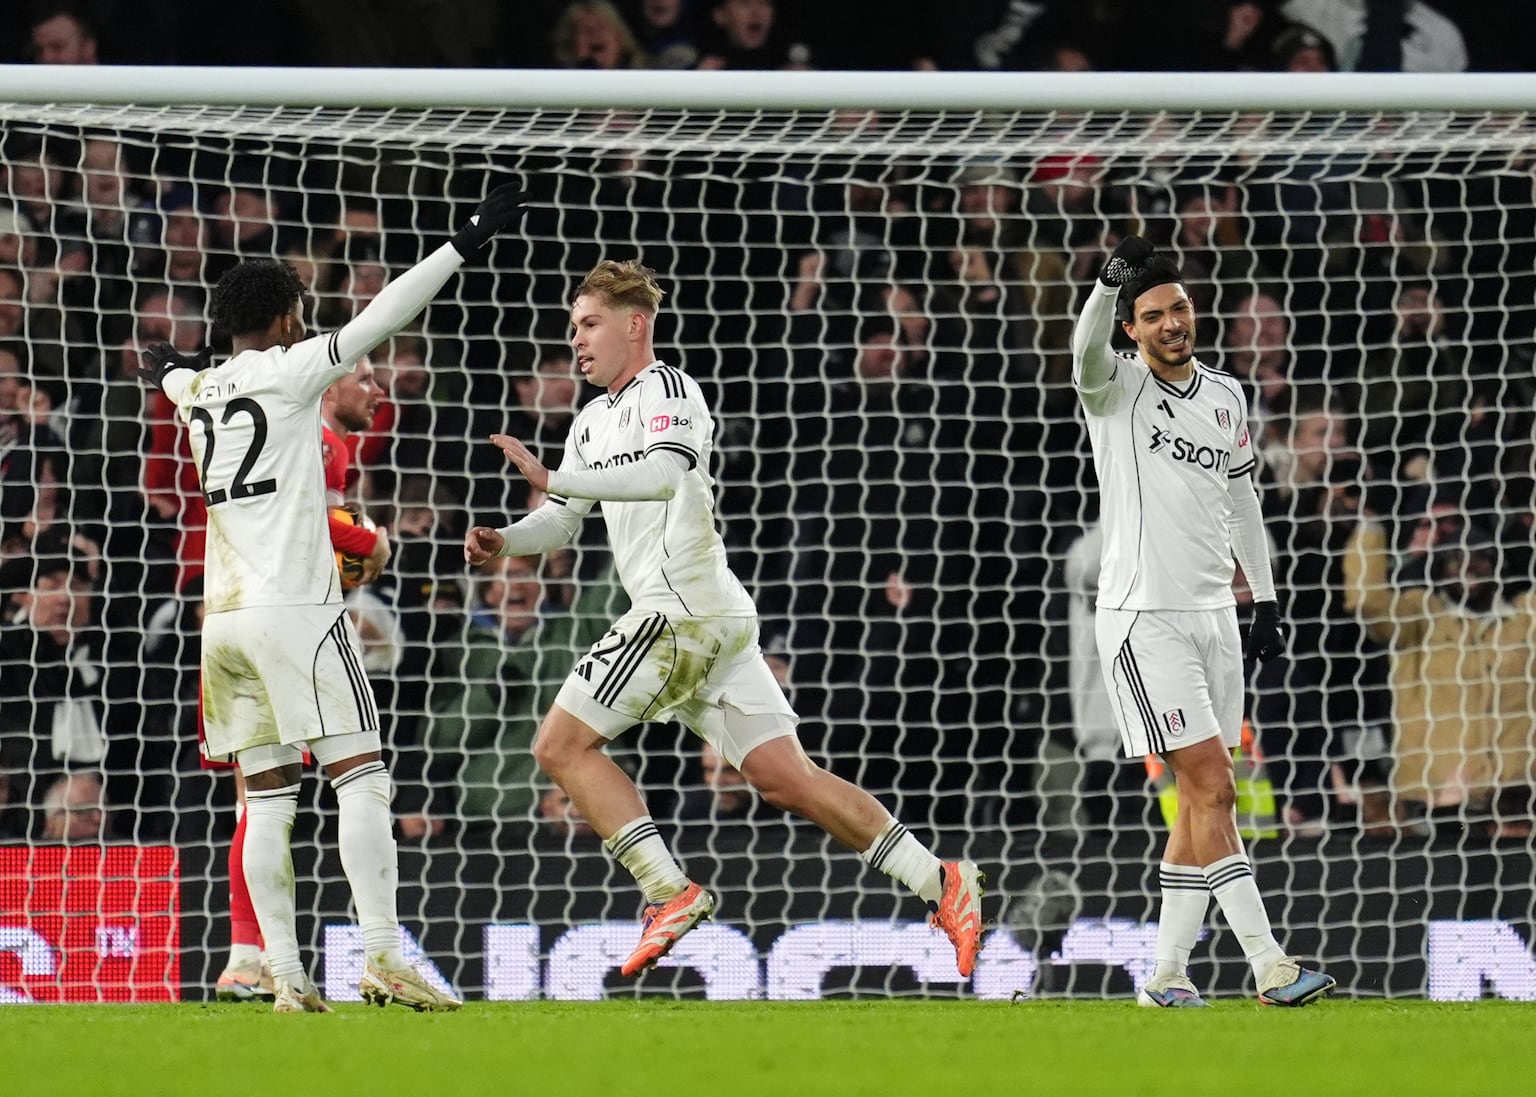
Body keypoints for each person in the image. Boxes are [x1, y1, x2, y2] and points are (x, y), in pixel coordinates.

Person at [464, 259, 983, 980]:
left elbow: (664, 474)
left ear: (635, 325)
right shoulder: (589, 422)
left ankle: (667, 890)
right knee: (787, 777)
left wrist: (556, 477)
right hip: (712, 619)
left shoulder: (670, 390)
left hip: (679, 610)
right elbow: (562, 519)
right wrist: (505, 540)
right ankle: (941, 880)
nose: (576, 339)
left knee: (559, 746)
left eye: (589, 324)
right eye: (573, 326)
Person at [138, 179, 529, 1013]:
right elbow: (386, 311)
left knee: (267, 797)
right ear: (287, 318)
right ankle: (383, 952)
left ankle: (282, 974)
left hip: (223, 624)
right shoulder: (292, 371)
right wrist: (464, 243)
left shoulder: (197, 393)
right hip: (297, 612)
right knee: (362, 776)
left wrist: (169, 366)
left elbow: (174, 378)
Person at [1071, 235, 1335, 1008]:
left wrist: (1267, 596)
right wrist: (1106, 286)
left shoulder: (1225, 395)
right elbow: (1083, 350)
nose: (1171, 323)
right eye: (1153, 314)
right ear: (1132, 329)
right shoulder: (1114, 387)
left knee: (1198, 799)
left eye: (1179, 308)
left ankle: (1166, 975)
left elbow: (1243, 500)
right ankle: (1270, 964)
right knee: (1216, 785)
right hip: (1143, 618)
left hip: (1217, 615)